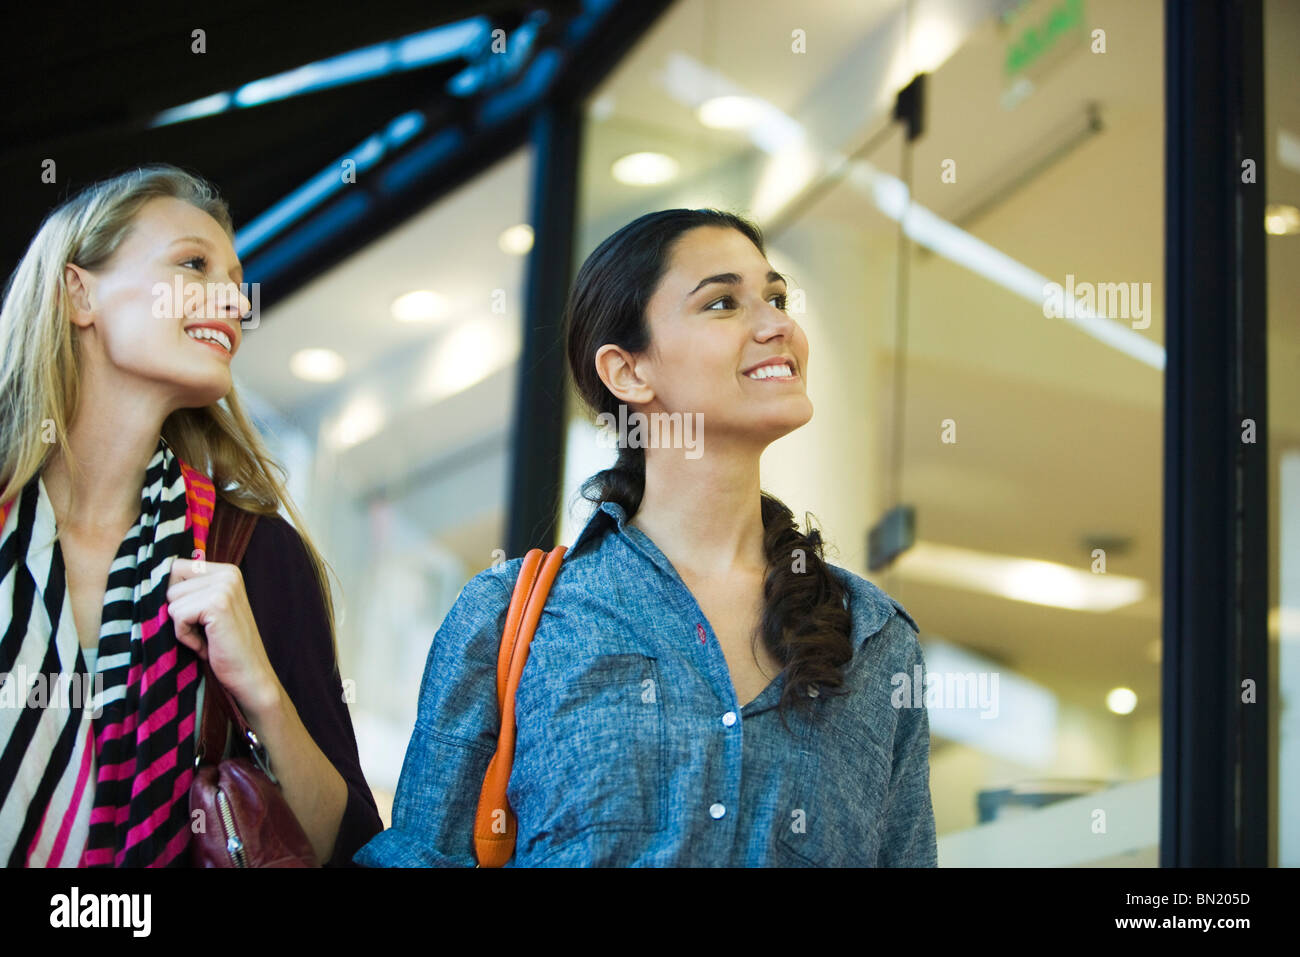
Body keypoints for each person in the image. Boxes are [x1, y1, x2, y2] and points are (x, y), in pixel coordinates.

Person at [356, 208, 937, 867]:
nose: (779, 323)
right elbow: (419, 855)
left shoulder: (874, 637)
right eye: (724, 302)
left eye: (776, 297)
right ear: (628, 373)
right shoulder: (510, 616)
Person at [0, 164, 382, 867]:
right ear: (78, 293)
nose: (236, 302)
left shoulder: (253, 553)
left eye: (237, 283)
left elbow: (352, 847)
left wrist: (260, 689)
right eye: (195, 265)